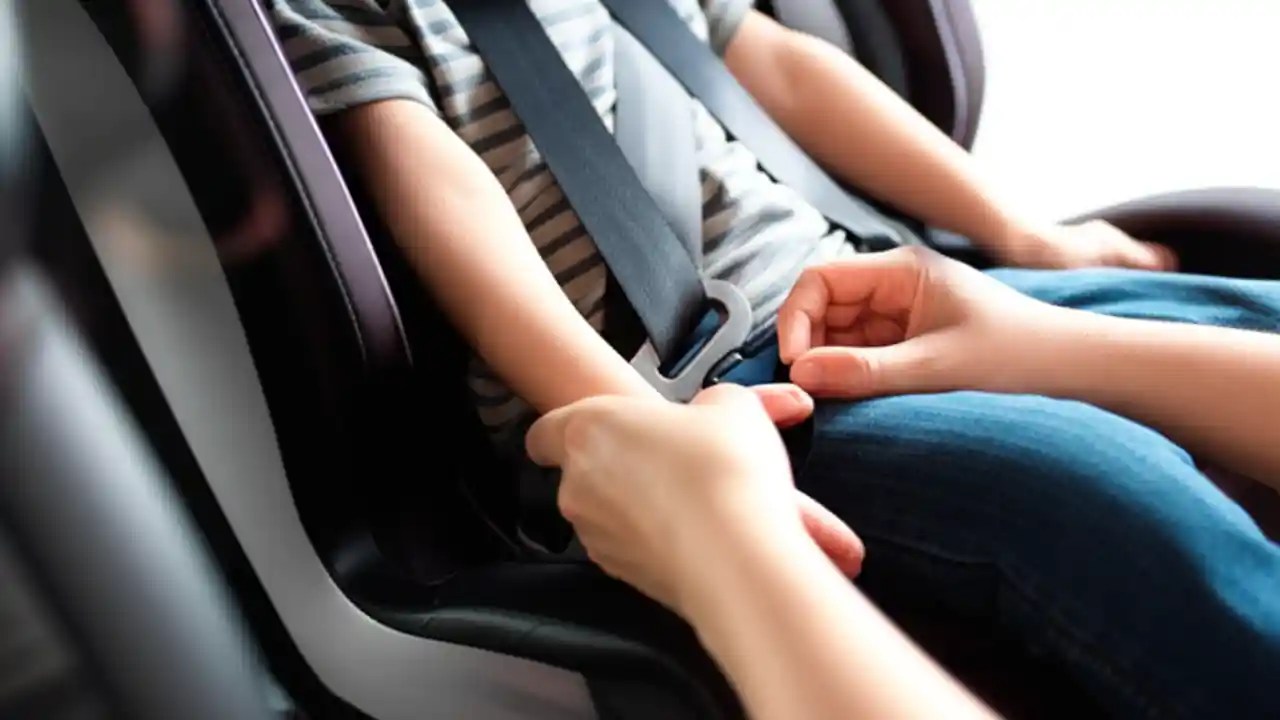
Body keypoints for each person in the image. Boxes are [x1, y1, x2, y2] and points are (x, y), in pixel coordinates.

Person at [269, 1, 1280, 716]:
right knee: (1099, 492)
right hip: (708, 382)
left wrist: (1025, 235)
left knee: (1244, 320)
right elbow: (441, 200)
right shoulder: (329, 11)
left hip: (872, 286)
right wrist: (639, 428)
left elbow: (785, 67)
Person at [528, 247, 1280, 720]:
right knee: (1114, 481)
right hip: (737, 389)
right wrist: (1048, 303)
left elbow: (777, 65)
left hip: (774, 363)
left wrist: (717, 529)